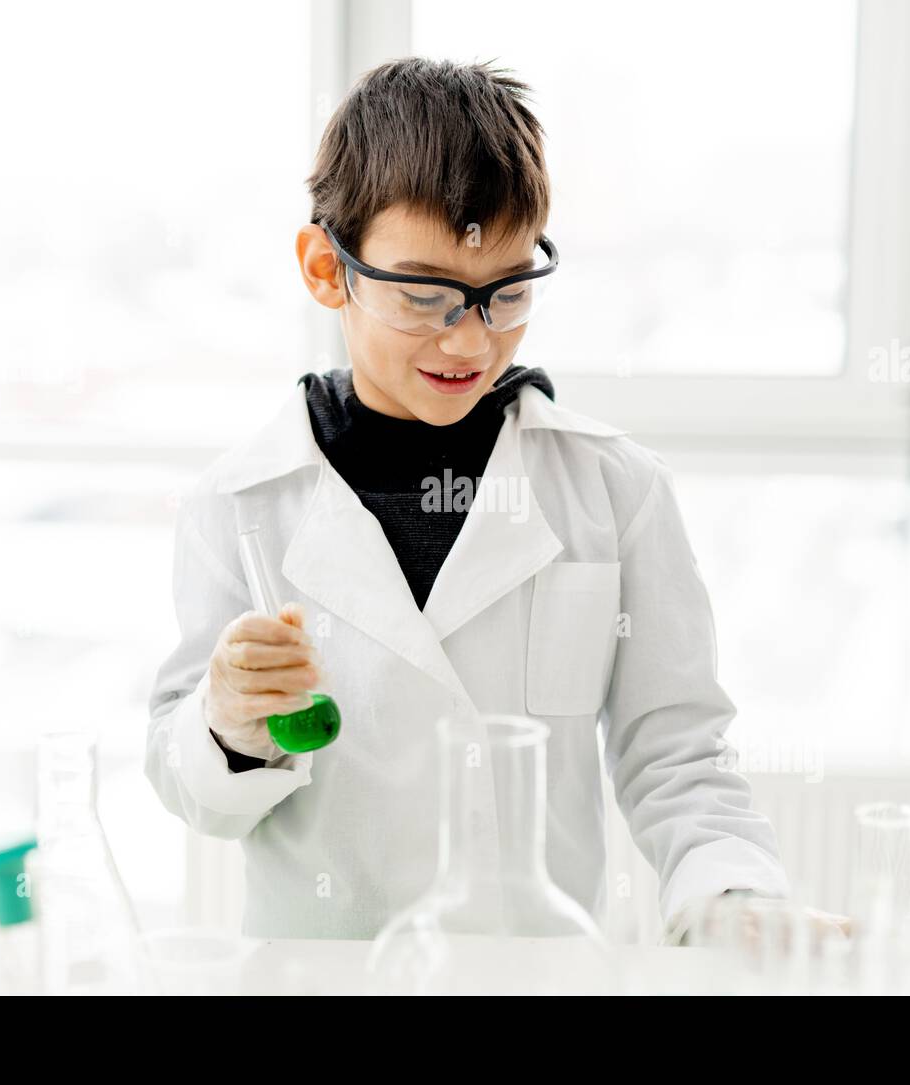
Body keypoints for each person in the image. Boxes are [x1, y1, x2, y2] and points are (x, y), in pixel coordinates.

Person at [146, 56, 842, 945]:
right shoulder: (240, 504)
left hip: (532, 975)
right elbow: (191, 790)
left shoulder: (612, 489)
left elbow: (678, 756)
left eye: (507, 290)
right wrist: (229, 721)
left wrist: (734, 898)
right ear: (328, 269)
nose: (471, 337)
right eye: (426, 295)